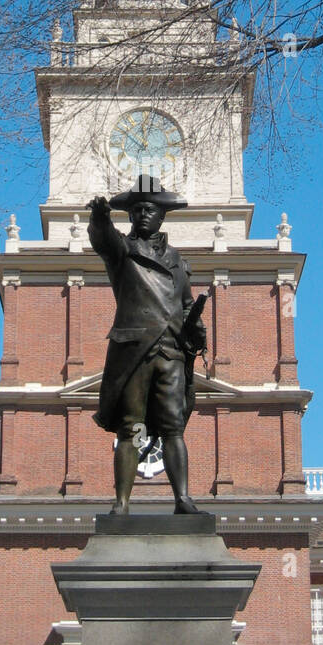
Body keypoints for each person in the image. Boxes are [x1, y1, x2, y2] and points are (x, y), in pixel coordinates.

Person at [88, 176, 207, 514]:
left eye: (149, 210)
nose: (142, 215)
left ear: (161, 216)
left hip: (170, 352)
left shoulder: (179, 262)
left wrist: (197, 328)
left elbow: (185, 305)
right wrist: (99, 218)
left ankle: (183, 498)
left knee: (173, 426)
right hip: (134, 351)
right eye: (136, 209)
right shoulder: (123, 251)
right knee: (130, 427)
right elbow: (103, 239)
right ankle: (122, 503)